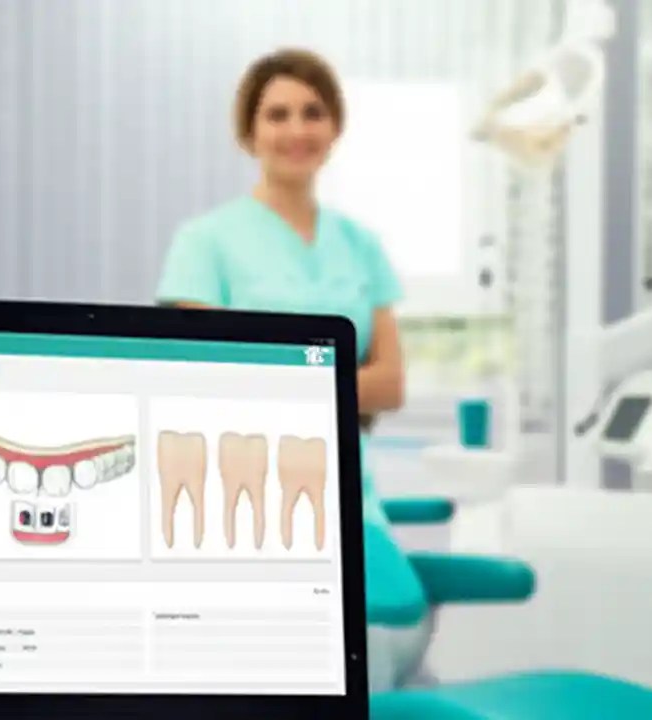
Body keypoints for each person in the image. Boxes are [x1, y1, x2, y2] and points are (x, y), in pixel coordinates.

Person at [155, 48, 430, 691]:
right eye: (276, 114)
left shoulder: (361, 244)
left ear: (334, 127)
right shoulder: (207, 242)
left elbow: (392, 384)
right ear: (248, 131)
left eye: (313, 112)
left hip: (352, 498)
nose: (296, 129)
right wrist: (334, 382)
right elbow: (208, 378)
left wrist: (282, 381)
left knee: (376, 664)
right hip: (243, 495)